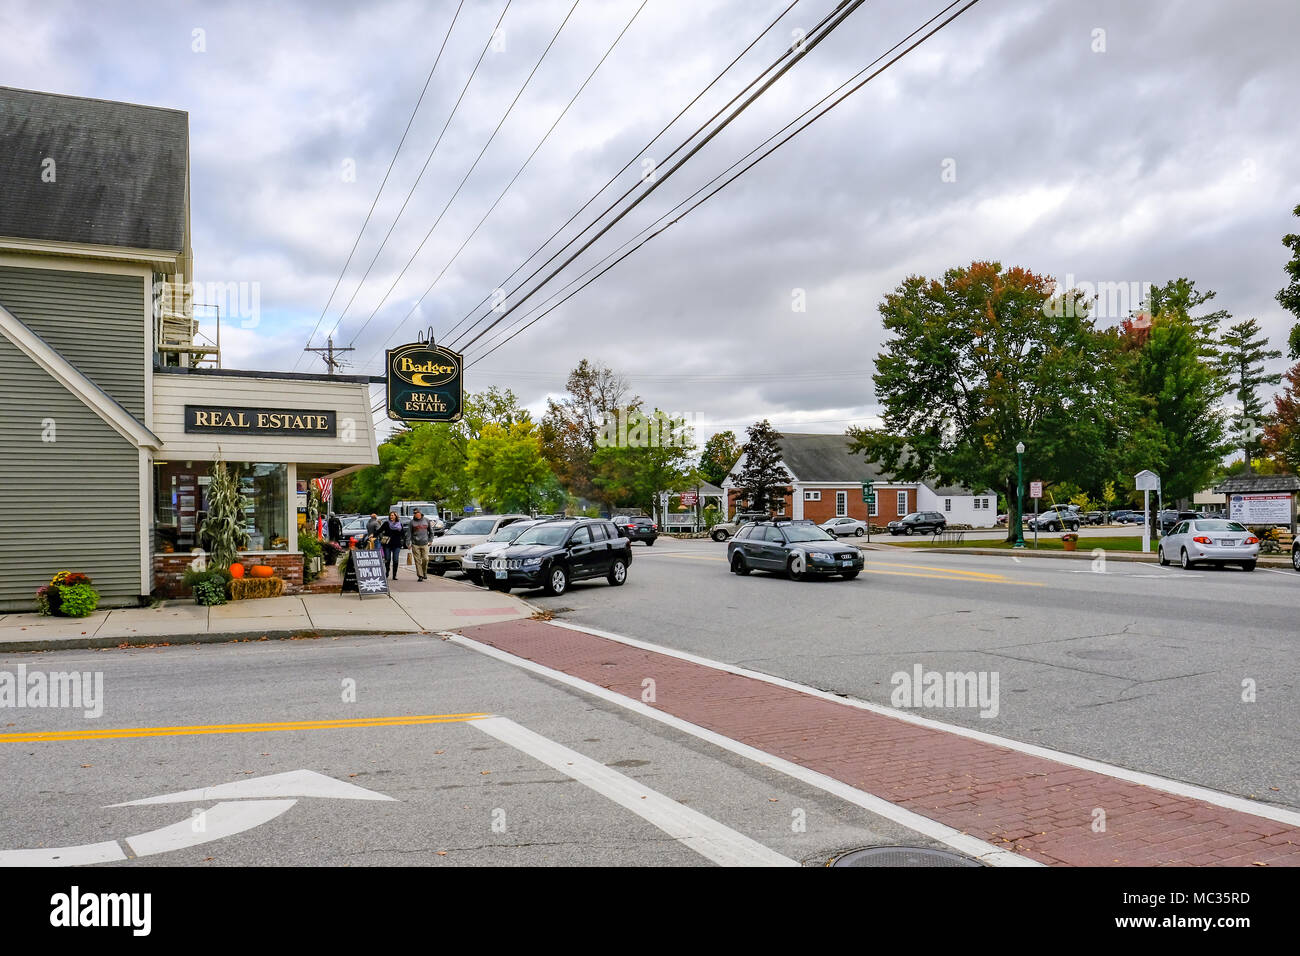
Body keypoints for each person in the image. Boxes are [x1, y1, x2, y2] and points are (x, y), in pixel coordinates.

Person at [408, 509, 434, 581]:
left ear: (420, 513)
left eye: (417, 513)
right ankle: (420, 575)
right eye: (414, 513)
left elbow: (431, 532)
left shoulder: (426, 520)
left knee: (426, 559)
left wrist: (430, 540)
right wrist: (408, 543)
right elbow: (409, 534)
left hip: (425, 543)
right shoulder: (412, 522)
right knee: (417, 561)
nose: (416, 514)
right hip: (415, 544)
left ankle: (424, 572)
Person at [379, 511, 404, 579]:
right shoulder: (386, 524)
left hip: (397, 544)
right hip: (388, 544)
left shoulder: (399, 524)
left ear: (396, 516)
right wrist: (373, 535)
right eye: (390, 515)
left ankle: (394, 575)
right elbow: (379, 530)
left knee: (395, 560)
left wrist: (401, 533)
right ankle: (387, 571)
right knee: (388, 559)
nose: (391, 517)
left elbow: (403, 534)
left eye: (393, 515)